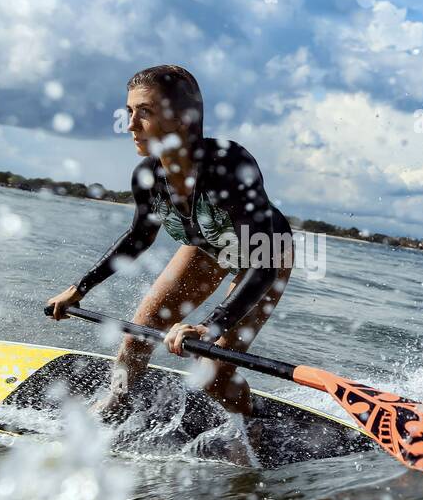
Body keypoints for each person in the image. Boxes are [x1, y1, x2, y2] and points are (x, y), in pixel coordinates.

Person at [44, 65, 293, 442]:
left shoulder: (229, 164)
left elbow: (266, 262)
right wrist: (79, 289)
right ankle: (116, 402)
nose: (130, 124)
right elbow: (138, 238)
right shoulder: (148, 175)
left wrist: (210, 328)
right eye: (129, 111)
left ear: (181, 117)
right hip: (208, 249)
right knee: (137, 338)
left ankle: (254, 424)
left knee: (212, 367)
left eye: (144, 111)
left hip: (265, 255)